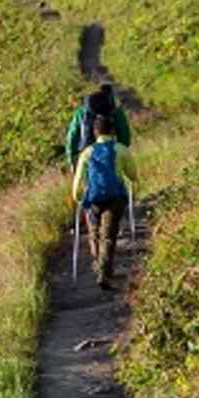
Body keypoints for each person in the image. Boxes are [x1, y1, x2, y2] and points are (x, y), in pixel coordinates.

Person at [71, 107, 135, 293]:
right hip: (115, 198)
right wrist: (130, 178)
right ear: (113, 131)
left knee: (94, 235)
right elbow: (133, 175)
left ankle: (99, 264)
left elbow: (78, 181)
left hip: (94, 199)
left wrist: (78, 198)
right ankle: (104, 272)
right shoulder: (121, 149)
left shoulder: (87, 152)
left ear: (95, 132)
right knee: (108, 236)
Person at [64, 78, 132, 170]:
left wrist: (72, 160)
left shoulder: (82, 112)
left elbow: (72, 137)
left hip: (88, 157)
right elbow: (125, 136)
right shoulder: (115, 110)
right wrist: (122, 154)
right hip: (112, 156)